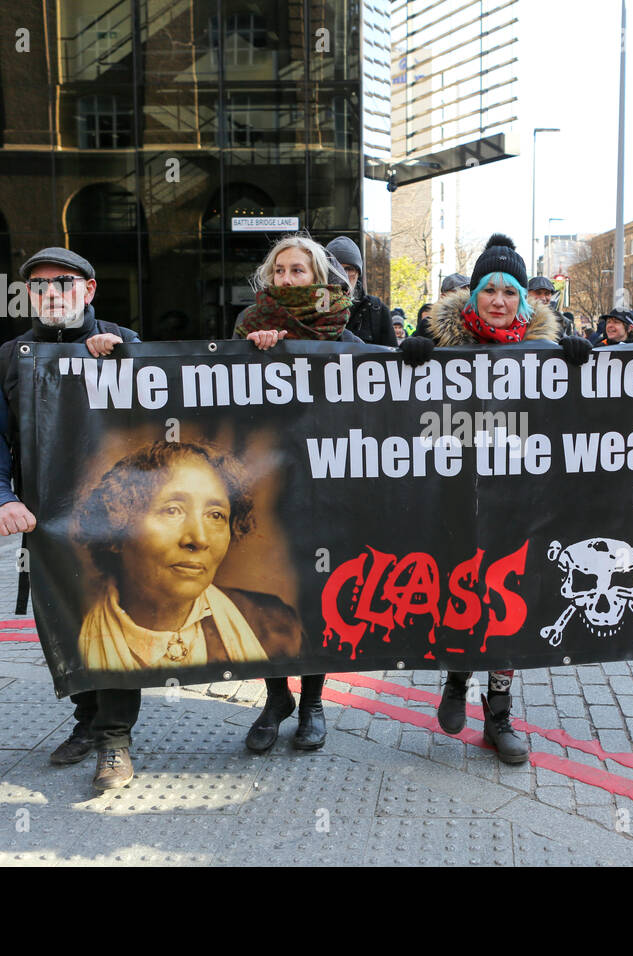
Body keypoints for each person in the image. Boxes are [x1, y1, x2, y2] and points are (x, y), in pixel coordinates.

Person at [398, 233, 592, 763]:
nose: (499, 301)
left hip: (523, 499)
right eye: (489, 289)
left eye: (510, 290)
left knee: (512, 603)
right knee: (463, 593)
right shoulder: (446, 343)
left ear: (524, 300)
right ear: (475, 294)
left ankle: (499, 715)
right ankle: (457, 679)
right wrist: (414, 355)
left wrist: (577, 360)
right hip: (458, 497)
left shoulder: (545, 347)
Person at [0, 246, 144, 791]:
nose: (50, 293)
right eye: (39, 286)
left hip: (119, 523)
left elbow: (177, 409)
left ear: (89, 291)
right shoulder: (11, 358)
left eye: (63, 283)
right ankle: (87, 722)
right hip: (46, 524)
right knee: (65, 622)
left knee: (114, 619)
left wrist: (124, 359)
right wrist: (0, 500)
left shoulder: (124, 342)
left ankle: (115, 741)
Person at [234, 234, 363, 752]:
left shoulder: (344, 337)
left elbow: (380, 398)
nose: (287, 279)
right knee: (267, 587)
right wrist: (254, 354)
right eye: (279, 271)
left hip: (326, 487)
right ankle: (274, 697)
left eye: (298, 271)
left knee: (315, 594)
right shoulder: (246, 327)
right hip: (265, 484)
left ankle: (311, 701)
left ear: (319, 278)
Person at [74, 441, 301, 671]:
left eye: (215, 515)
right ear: (117, 528)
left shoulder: (276, 627)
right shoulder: (71, 633)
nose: (199, 539)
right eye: (172, 510)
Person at [326, 236, 397, 346]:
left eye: (348, 269)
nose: (342, 275)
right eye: (335, 268)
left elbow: (391, 358)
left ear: (358, 273)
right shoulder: (311, 308)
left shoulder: (376, 310)